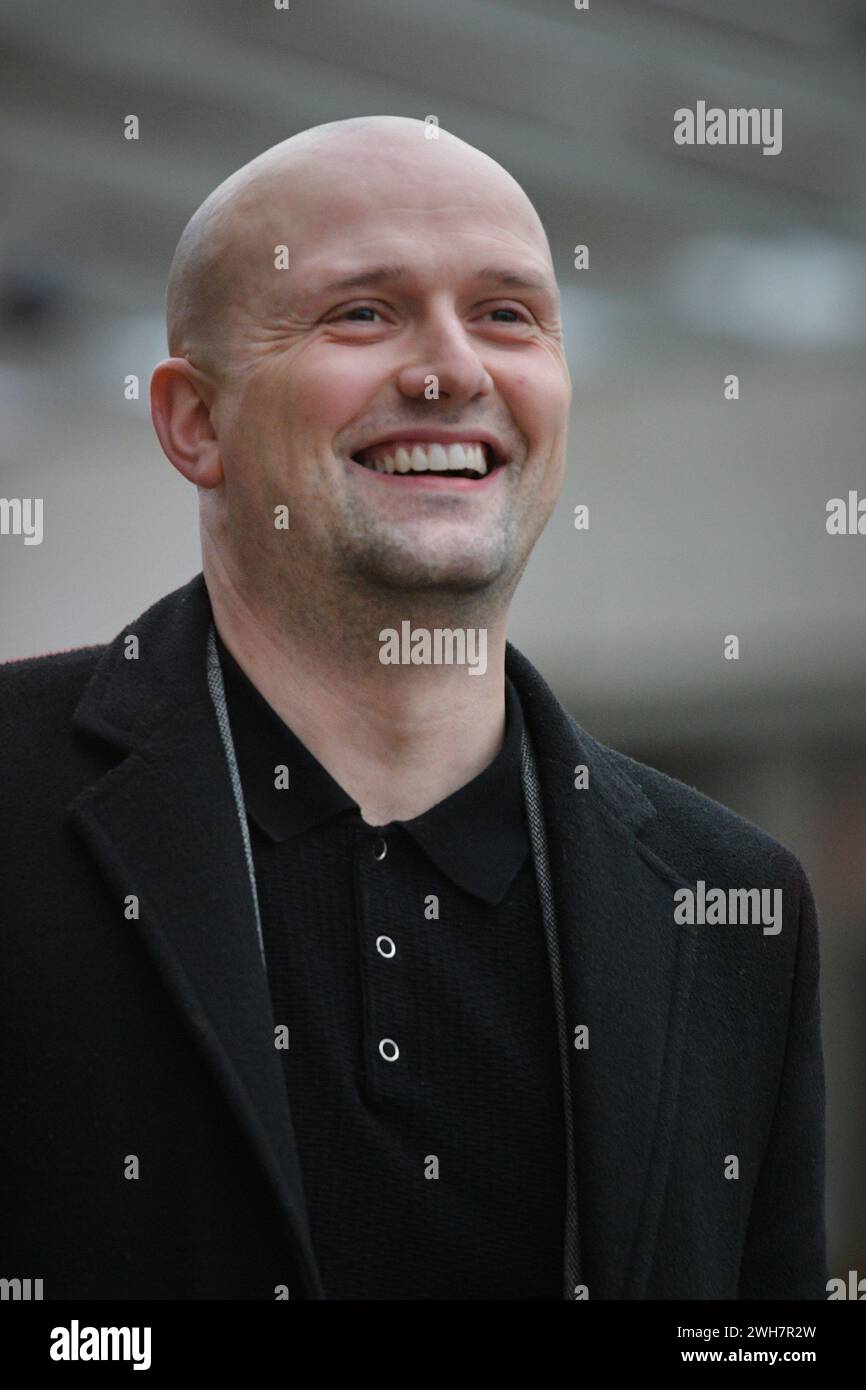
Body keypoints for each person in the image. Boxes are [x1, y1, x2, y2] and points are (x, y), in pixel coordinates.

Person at [0, 116, 826, 1300]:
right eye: (361, 312)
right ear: (194, 420)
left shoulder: (732, 905)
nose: (451, 369)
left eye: (505, 314)